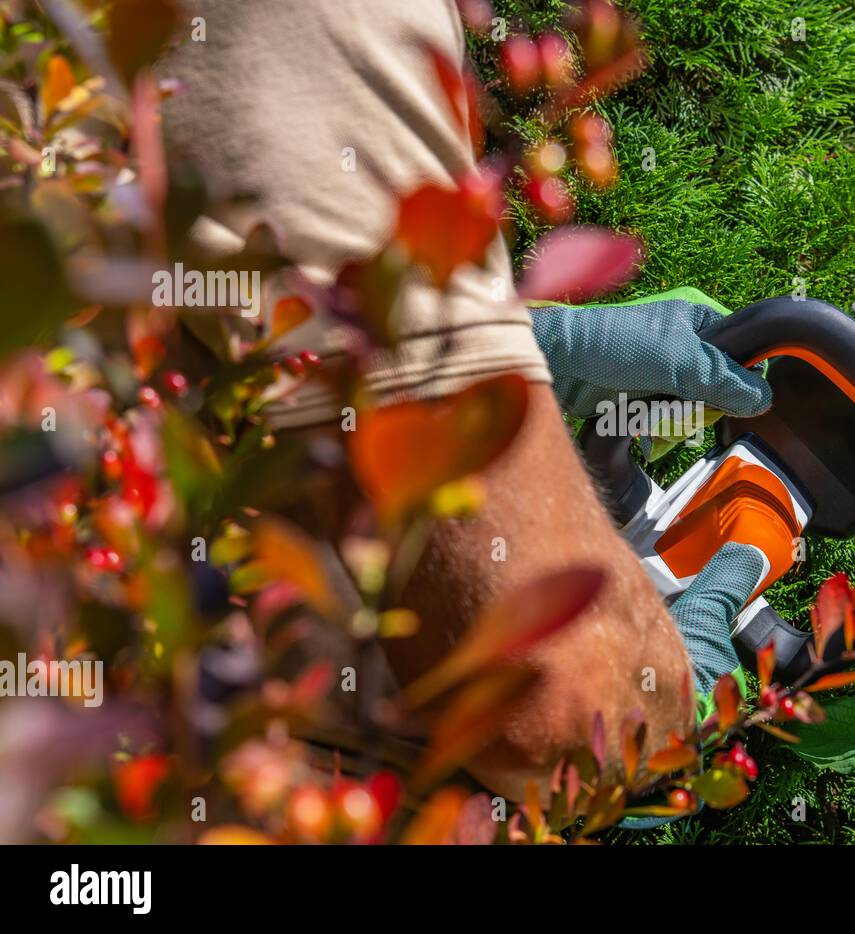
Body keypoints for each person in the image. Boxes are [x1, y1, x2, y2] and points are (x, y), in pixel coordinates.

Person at [161, 0, 770, 801]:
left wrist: (519, 349)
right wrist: (661, 701)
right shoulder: (336, 24)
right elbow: (554, 710)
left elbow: (279, 323)